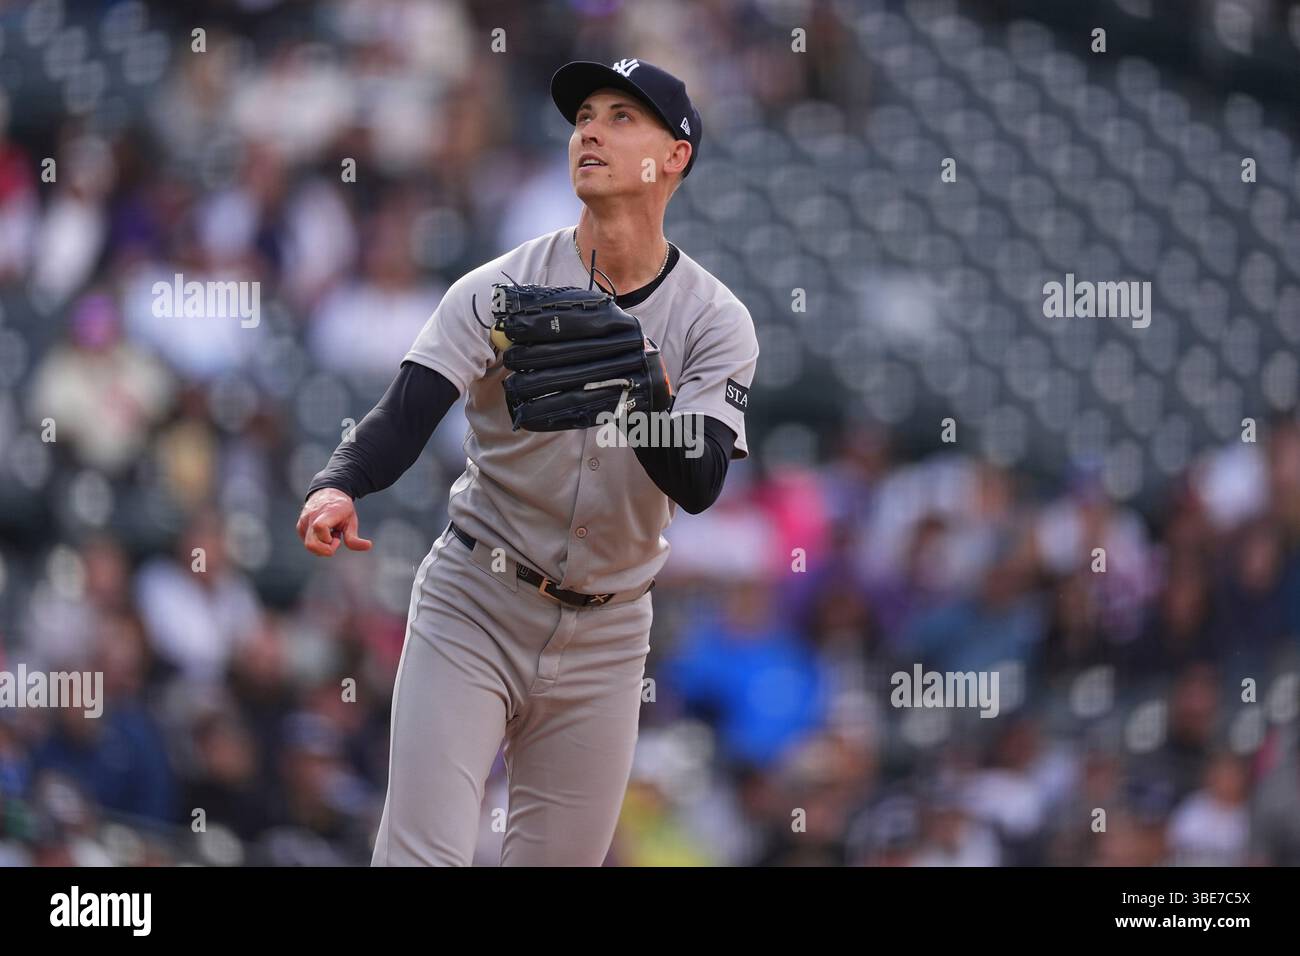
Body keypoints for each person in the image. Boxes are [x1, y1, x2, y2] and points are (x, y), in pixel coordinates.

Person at [295, 58, 759, 865]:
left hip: (609, 634)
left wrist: (634, 390)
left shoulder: (717, 321)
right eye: (584, 115)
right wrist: (339, 482)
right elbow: (405, 413)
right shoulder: (498, 288)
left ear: (675, 155)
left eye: (622, 117)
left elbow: (701, 482)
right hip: (477, 598)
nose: (589, 130)